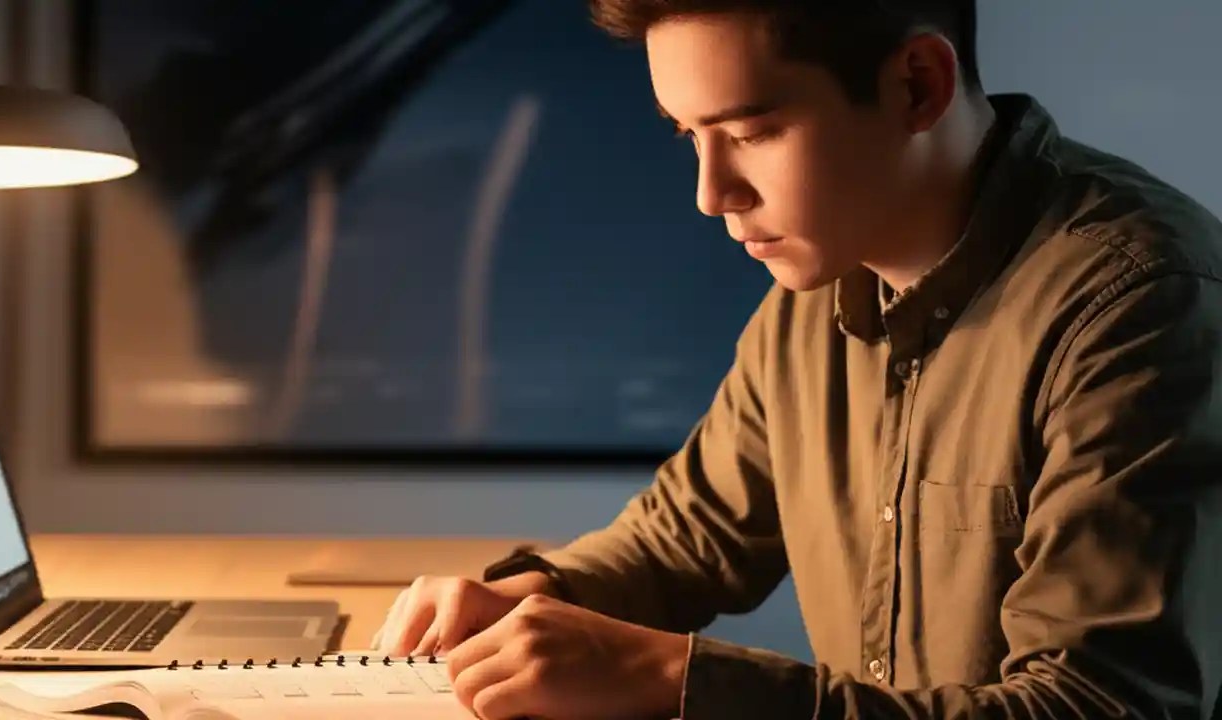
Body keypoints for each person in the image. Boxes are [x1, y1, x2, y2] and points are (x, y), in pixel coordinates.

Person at [371, 1, 1222, 718]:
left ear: (917, 85)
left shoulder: (1139, 306)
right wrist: (529, 595)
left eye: (753, 130)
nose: (712, 195)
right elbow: (685, 542)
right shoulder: (815, 294)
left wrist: (668, 676)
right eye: (687, 134)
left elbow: (1096, 706)